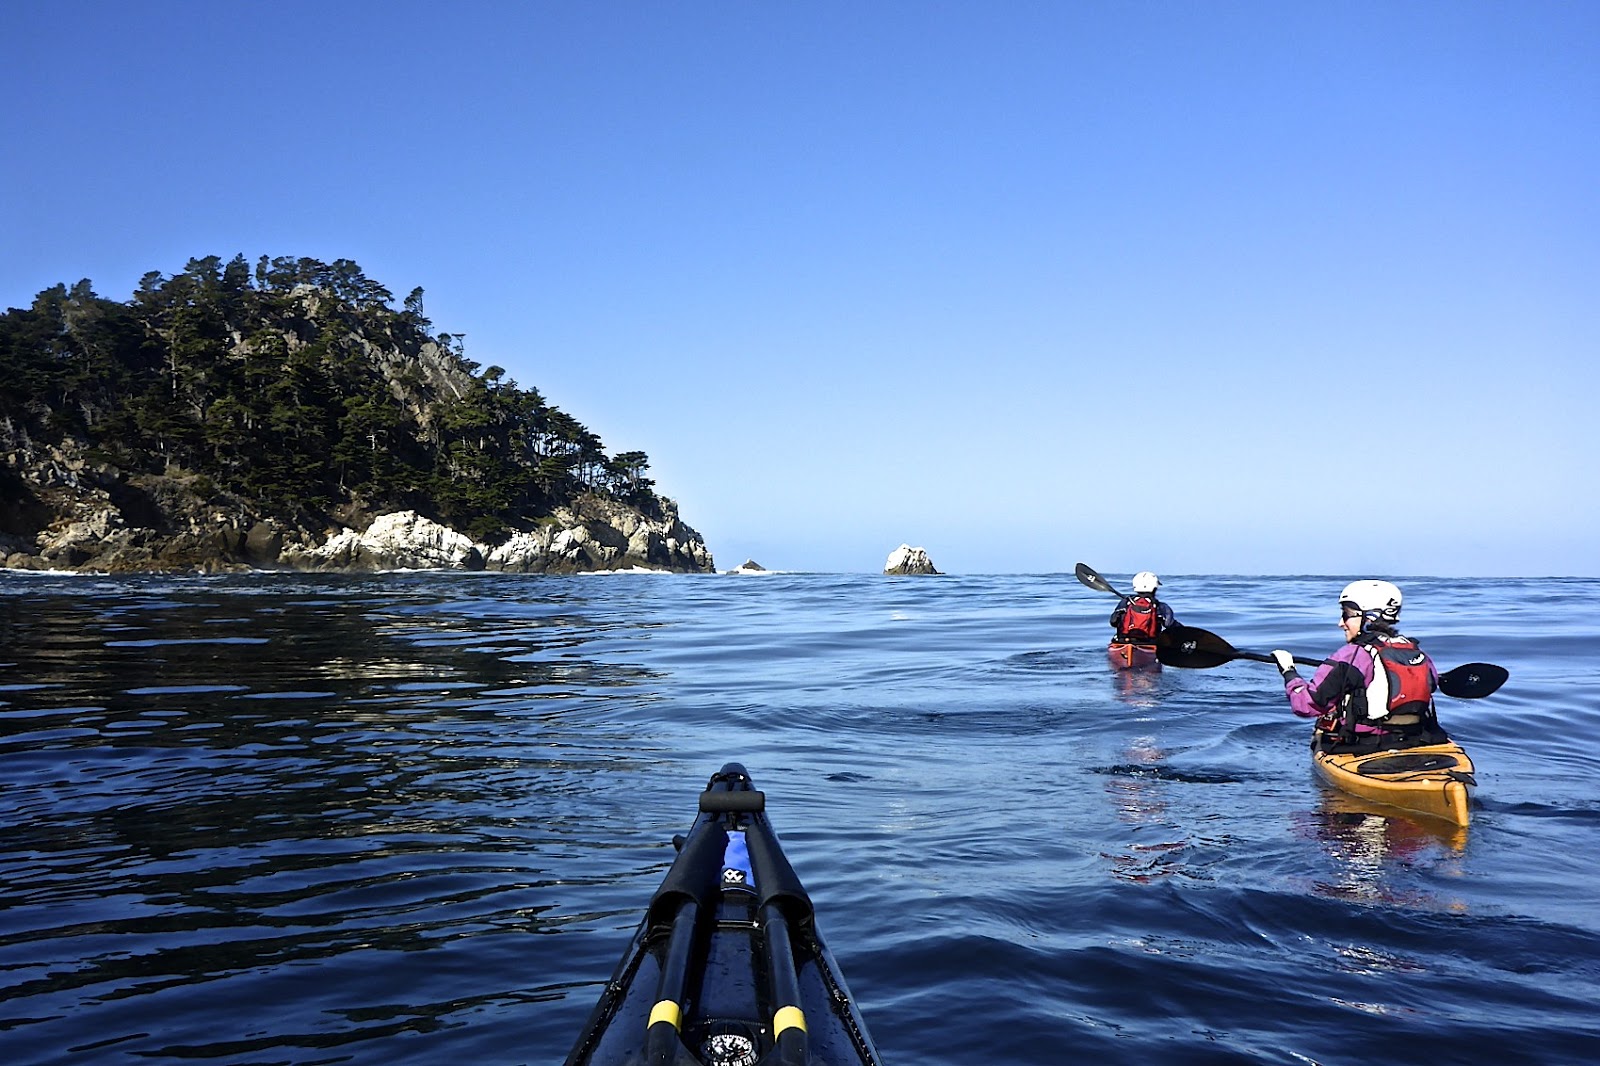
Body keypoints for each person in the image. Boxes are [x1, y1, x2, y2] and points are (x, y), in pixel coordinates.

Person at [1271, 580, 1448, 752]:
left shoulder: (1350, 656)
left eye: (1346, 614)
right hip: (1418, 740)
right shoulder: (1418, 652)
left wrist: (1289, 672)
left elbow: (1306, 705)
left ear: (1369, 617)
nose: (1341, 623)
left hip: (1366, 746)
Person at [1109, 571, 1177, 643]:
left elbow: (1113, 622)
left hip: (1124, 641)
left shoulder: (1125, 602)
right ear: (1154, 588)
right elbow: (1169, 625)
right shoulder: (1161, 606)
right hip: (1149, 643)